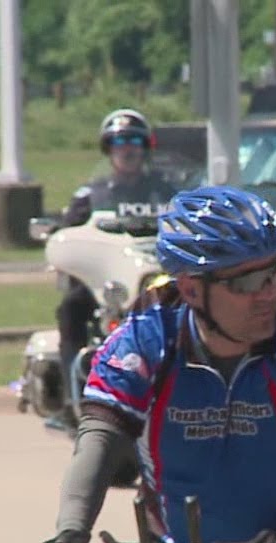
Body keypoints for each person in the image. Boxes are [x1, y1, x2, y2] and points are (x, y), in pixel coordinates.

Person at [32, 185, 276, 543]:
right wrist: (70, 533)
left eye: (272, 273)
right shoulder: (146, 338)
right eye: (244, 282)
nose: (266, 294)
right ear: (191, 289)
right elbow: (99, 441)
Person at [51, 109, 179, 433]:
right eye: (119, 141)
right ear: (108, 149)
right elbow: (69, 234)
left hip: (155, 271)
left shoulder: (165, 191)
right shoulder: (91, 195)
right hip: (107, 281)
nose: (128, 148)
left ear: (145, 147)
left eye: (134, 140)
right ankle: (72, 398)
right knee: (70, 308)